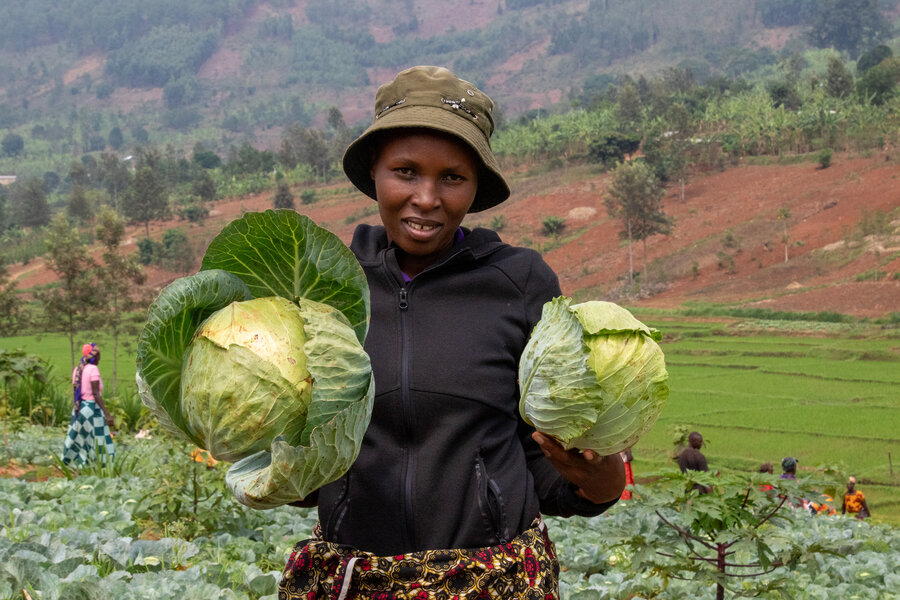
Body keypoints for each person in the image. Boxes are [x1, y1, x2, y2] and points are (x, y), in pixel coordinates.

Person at [278, 65, 626, 599]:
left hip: (494, 581)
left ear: (476, 186)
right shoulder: (328, 286)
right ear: (375, 169)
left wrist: (601, 482)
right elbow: (309, 456)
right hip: (356, 579)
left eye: (452, 178)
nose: (426, 198)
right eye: (406, 171)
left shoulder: (520, 282)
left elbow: (544, 451)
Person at [62, 343, 115, 465]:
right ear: (94, 356)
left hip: (79, 408)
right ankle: (100, 465)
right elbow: (95, 393)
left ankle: (71, 464)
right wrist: (107, 413)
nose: (100, 358)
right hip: (91, 409)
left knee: (78, 438)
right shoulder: (93, 369)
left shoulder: (77, 369)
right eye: (99, 355)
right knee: (98, 439)